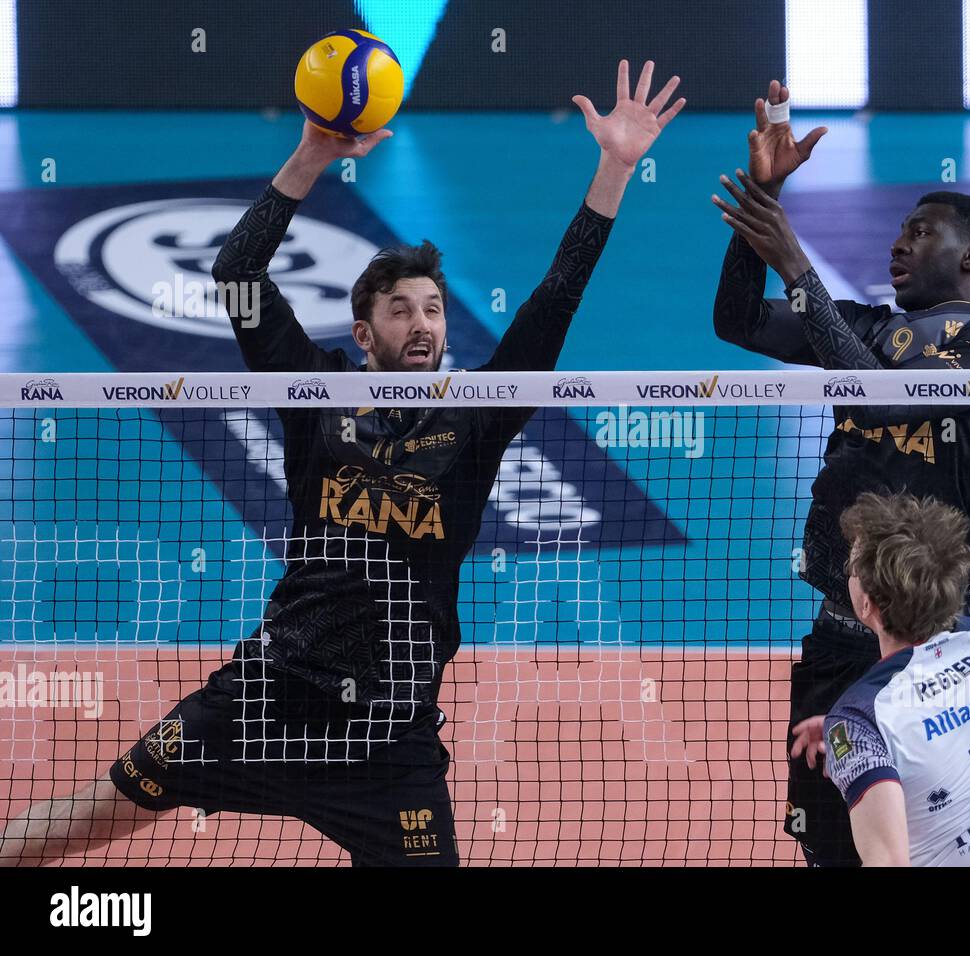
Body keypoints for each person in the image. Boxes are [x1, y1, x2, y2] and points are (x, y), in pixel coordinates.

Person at [0, 60, 685, 867]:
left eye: (432, 307)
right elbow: (238, 278)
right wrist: (312, 157)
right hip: (266, 699)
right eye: (400, 310)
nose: (422, 323)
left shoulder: (477, 418)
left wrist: (613, 167)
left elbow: (556, 297)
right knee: (91, 814)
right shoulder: (313, 389)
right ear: (364, 334)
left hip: (385, 740)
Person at [710, 80, 970, 866]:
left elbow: (884, 403)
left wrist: (796, 264)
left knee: (930, 845)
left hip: (930, 642)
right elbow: (737, 320)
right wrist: (763, 196)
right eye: (898, 230)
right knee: (829, 847)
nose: (898, 243)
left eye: (918, 233)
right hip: (834, 634)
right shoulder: (865, 327)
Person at [791, 491, 970, 866]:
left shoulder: (861, 721)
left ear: (866, 605)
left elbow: (889, 862)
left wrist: (853, 733)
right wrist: (863, 733)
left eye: (852, 570)